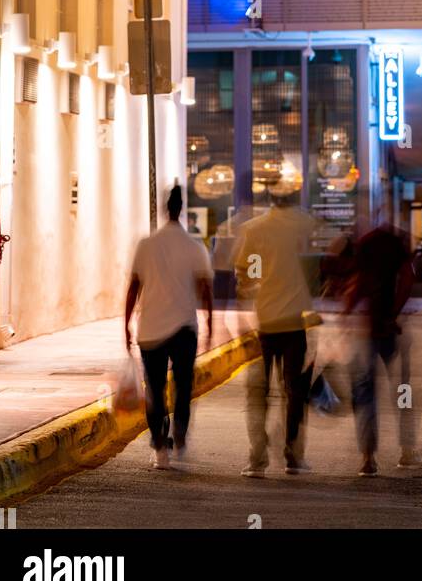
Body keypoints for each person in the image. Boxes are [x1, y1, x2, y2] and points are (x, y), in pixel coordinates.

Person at [232, 167, 316, 478]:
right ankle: (293, 456)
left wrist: (257, 286)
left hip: (265, 321)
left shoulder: (254, 229)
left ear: (269, 197)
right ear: (293, 196)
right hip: (295, 321)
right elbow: (321, 263)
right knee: (295, 390)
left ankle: (257, 458)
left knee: (258, 392)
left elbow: (245, 274)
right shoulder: (305, 223)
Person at [125, 184, 213, 470]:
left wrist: (125, 323)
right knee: (183, 387)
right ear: (182, 209)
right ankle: (180, 434)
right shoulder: (194, 246)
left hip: (150, 330)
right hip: (185, 328)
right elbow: (206, 289)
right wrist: (211, 322)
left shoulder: (146, 245)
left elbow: (133, 287)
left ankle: (160, 447)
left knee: (155, 388)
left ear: (165, 208)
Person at [345, 220, 416, 477]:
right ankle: (406, 451)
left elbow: (358, 283)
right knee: (402, 390)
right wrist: (394, 313)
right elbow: (408, 277)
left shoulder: (365, 244)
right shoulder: (396, 243)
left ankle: (368, 458)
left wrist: (347, 313)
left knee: (365, 392)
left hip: (369, 328)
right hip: (389, 329)